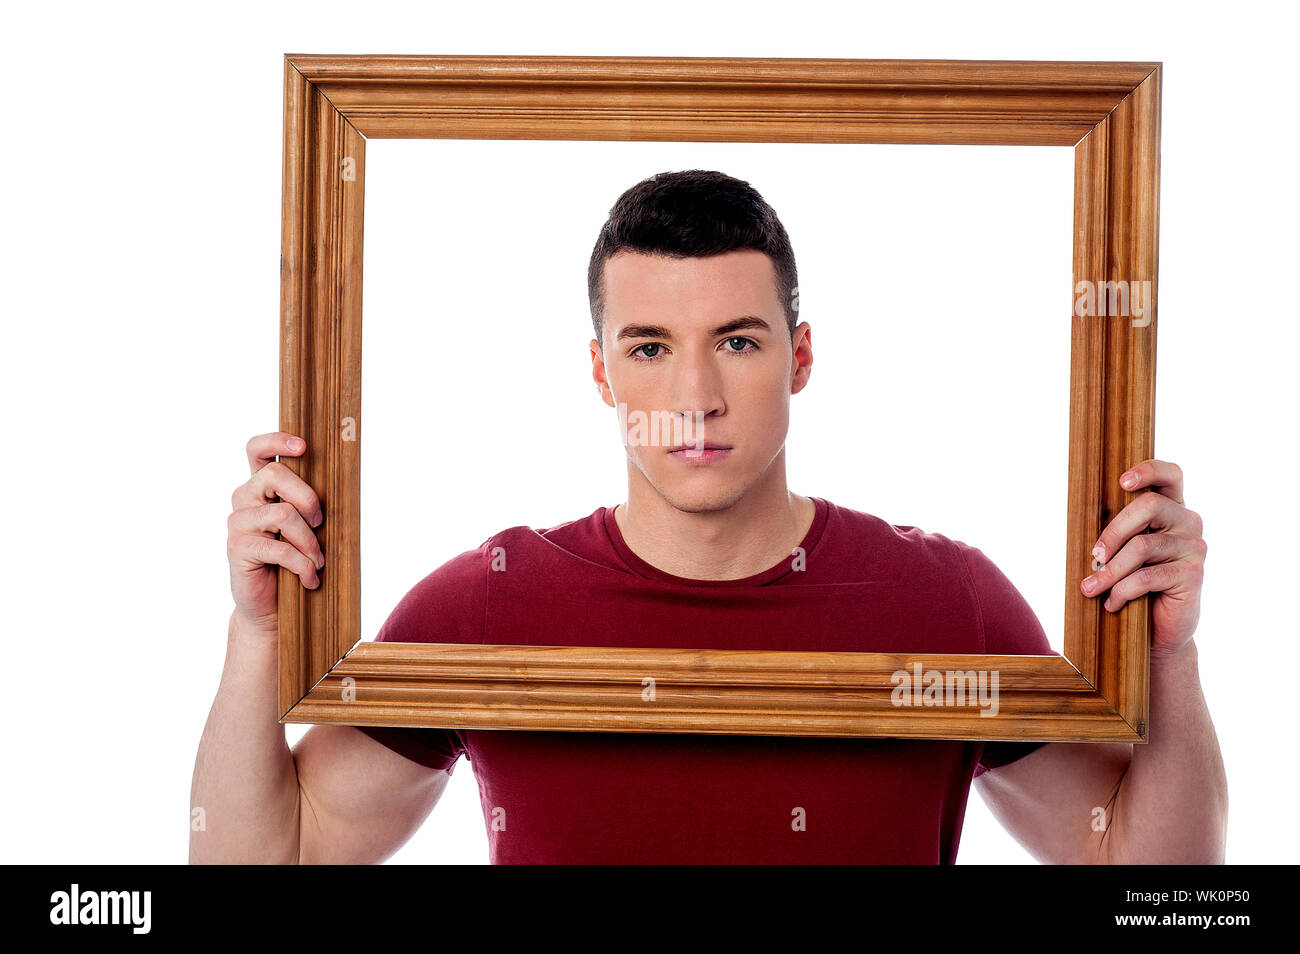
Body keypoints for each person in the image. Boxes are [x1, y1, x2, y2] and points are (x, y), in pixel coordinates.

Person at [191, 170, 1226, 864]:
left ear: (800, 356)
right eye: (649, 347)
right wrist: (261, 636)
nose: (695, 392)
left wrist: (1167, 657)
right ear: (600, 371)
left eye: (736, 340)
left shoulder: (943, 597)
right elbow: (275, 853)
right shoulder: (484, 603)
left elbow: (1139, 871)